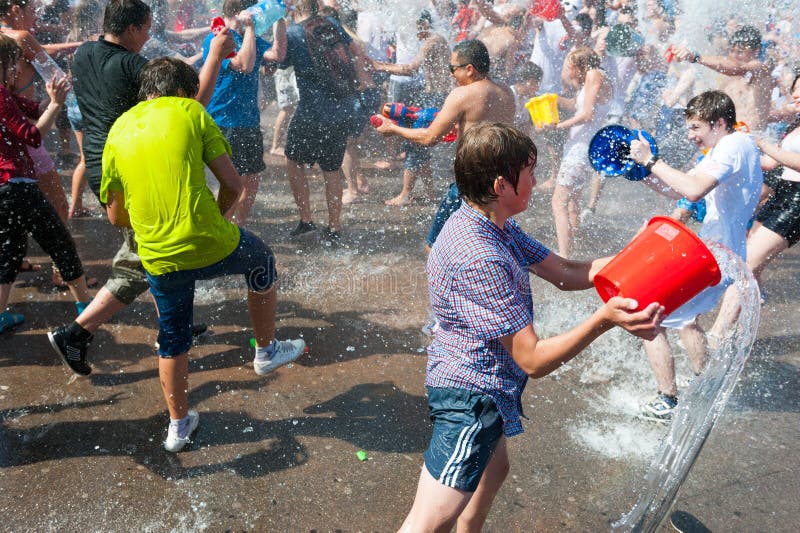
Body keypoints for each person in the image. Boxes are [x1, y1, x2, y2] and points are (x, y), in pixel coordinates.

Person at [400, 122, 663, 531]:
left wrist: (643, 255)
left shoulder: (491, 222)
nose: (538, 180)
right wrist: (603, 320)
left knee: (494, 470)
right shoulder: (481, 255)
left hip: (482, 383)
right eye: (530, 172)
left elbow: (564, 271)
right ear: (503, 184)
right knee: (429, 521)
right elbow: (532, 359)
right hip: (470, 398)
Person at [100, 57, 305, 452]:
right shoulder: (191, 110)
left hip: (157, 253)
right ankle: (265, 351)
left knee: (172, 338)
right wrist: (214, 219)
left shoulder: (119, 128)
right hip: (209, 240)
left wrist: (152, 228)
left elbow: (115, 216)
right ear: (183, 91)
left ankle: (178, 427)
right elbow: (234, 184)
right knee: (261, 260)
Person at [46, 0, 235, 376]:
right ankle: (75, 333)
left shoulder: (84, 54)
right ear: (131, 29)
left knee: (150, 249)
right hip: (135, 169)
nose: (148, 36)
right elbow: (186, 109)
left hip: (105, 165)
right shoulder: (134, 65)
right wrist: (214, 56)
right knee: (140, 261)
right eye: (146, 29)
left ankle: (173, 319)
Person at [629, 90, 763, 421]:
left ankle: (667, 400)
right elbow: (684, 190)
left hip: (716, 258)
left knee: (647, 315)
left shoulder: (732, 145)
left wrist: (652, 161)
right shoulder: (726, 148)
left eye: (695, 128)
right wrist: (644, 174)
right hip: (721, 255)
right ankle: (707, 386)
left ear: (718, 123)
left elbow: (692, 189)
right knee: (687, 320)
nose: (690, 136)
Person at [374, 39, 515, 248]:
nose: (450, 74)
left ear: (469, 69)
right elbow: (491, 128)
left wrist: (393, 129)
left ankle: (441, 281)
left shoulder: (463, 94)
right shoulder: (506, 91)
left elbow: (429, 138)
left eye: (453, 68)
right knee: (488, 243)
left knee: (435, 245)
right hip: (503, 181)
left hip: (470, 184)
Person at [0, 34, 92, 333]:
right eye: (12, 64)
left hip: (4, 189)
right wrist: (55, 104)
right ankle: (85, 309)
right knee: (60, 243)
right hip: (17, 186)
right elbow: (32, 135)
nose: (16, 70)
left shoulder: (6, 95)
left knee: (10, 251)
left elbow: (31, 108)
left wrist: (54, 97)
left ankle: (0, 316)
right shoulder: (0, 95)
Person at [271, 0, 364, 242]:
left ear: (296, 10)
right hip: (341, 110)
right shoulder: (331, 23)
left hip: (310, 113)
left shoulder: (293, 33)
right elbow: (355, 50)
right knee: (331, 169)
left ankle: (307, 220)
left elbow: (278, 60)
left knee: (294, 161)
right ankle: (334, 227)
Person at [202, 0, 287, 222]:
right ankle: (223, 225)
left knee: (253, 176)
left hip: (248, 121)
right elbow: (244, 65)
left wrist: (279, 18)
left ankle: (238, 224)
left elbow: (278, 53)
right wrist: (250, 27)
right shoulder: (217, 38)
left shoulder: (252, 39)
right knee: (232, 181)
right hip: (223, 120)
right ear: (244, 13)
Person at [371, 9, 451, 206]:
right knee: (421, 147)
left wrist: (379, 66)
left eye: (416, 28)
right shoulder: (439, 39)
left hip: (435, 98)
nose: (416, 34)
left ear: (423, 25)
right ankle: (431, 193)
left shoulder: (432, 41)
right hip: (435, 96)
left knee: (415, 145)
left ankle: (404, 195)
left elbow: (410, 69)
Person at [547, 47, 612, 258]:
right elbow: (576, 104)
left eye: (569, 66)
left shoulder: (594, 75)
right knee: (573, 202)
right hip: (581, 148)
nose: (567, 71)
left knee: (559, 202)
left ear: (579, 66)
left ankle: (564, 257)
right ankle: (570, 252)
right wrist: (554, 99)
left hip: (581, 150)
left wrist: (558, 126)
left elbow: (586, 115)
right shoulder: (591, 79)